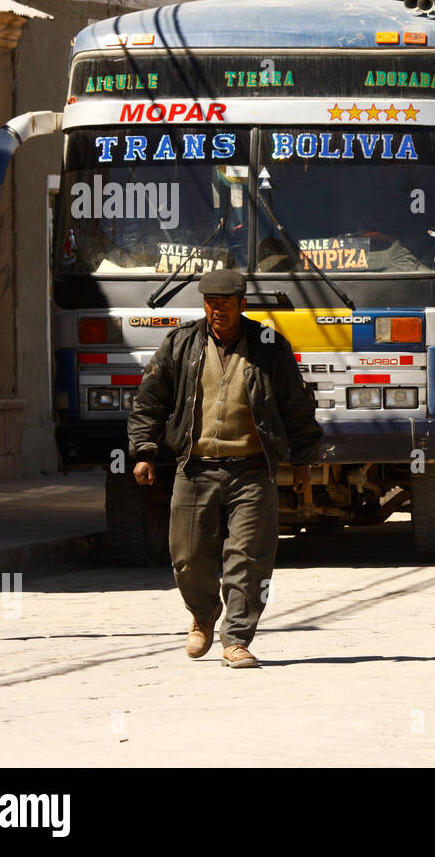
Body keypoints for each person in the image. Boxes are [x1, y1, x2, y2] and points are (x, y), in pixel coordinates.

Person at [128, 269, 322, 669]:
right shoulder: (180, 344)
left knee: (249, 557)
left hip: (252, 469)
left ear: (242, 305)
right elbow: (150, 401)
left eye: (226, 304)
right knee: (188, 556)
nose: (218, 311)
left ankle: (236, 638)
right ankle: (202, 614)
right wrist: (144, 451)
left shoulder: (269, 346)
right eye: (211, 304)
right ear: (204, 305)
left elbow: (296, 406)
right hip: (195, 468)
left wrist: (303, 461)